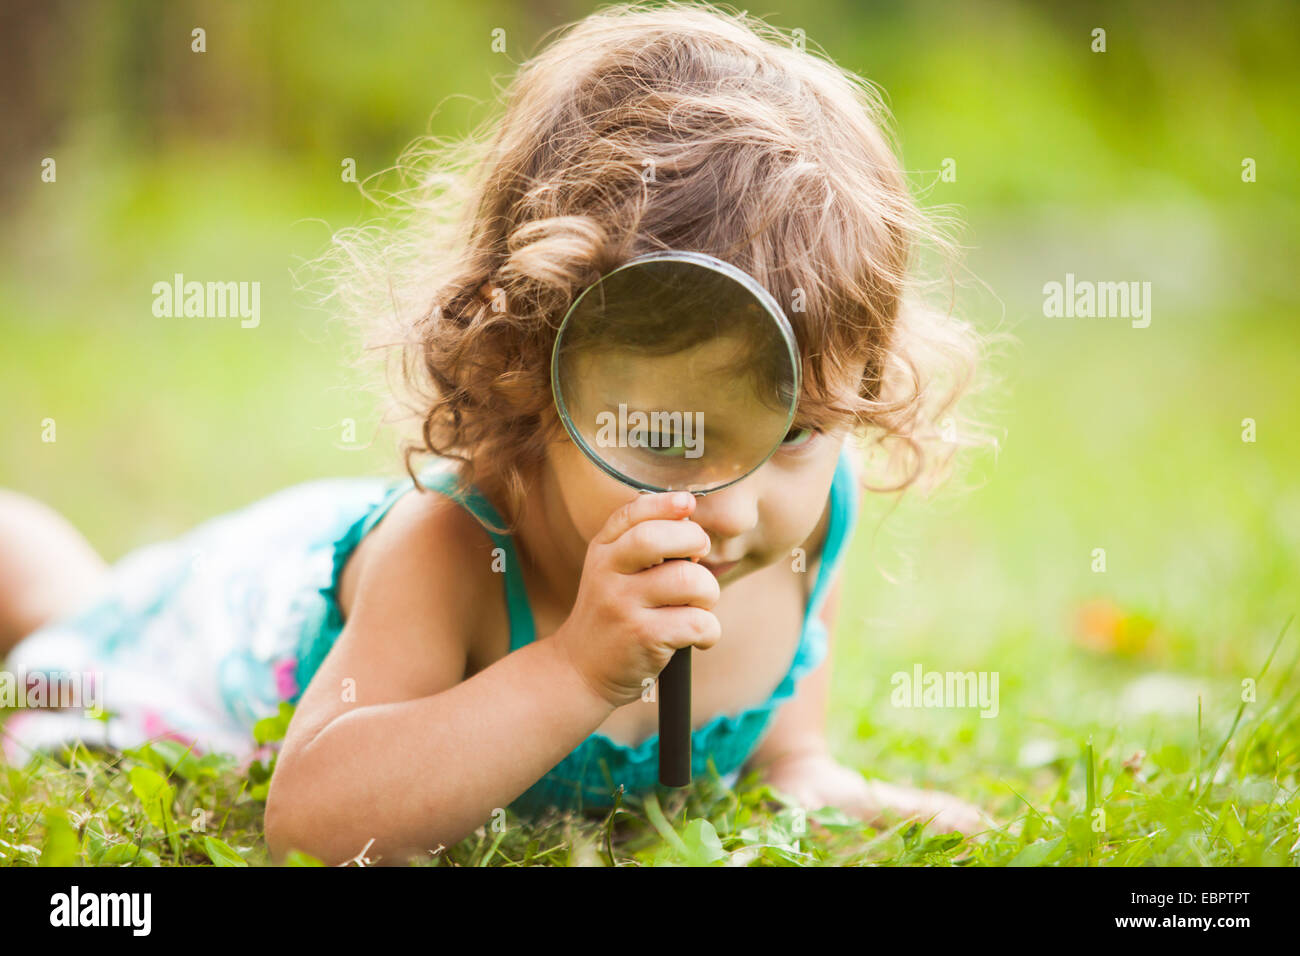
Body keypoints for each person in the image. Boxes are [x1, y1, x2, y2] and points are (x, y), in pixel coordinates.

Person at [0, 1, 993, 865]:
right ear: (528, 378)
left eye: (796, 429)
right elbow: (308, 823)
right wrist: (571, 670)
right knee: (63, 634)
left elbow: (780, 715)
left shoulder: (814, 517)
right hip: (234, 625)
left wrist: (798, 767)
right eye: (666, 432)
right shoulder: (451, 547)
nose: (733, 507)